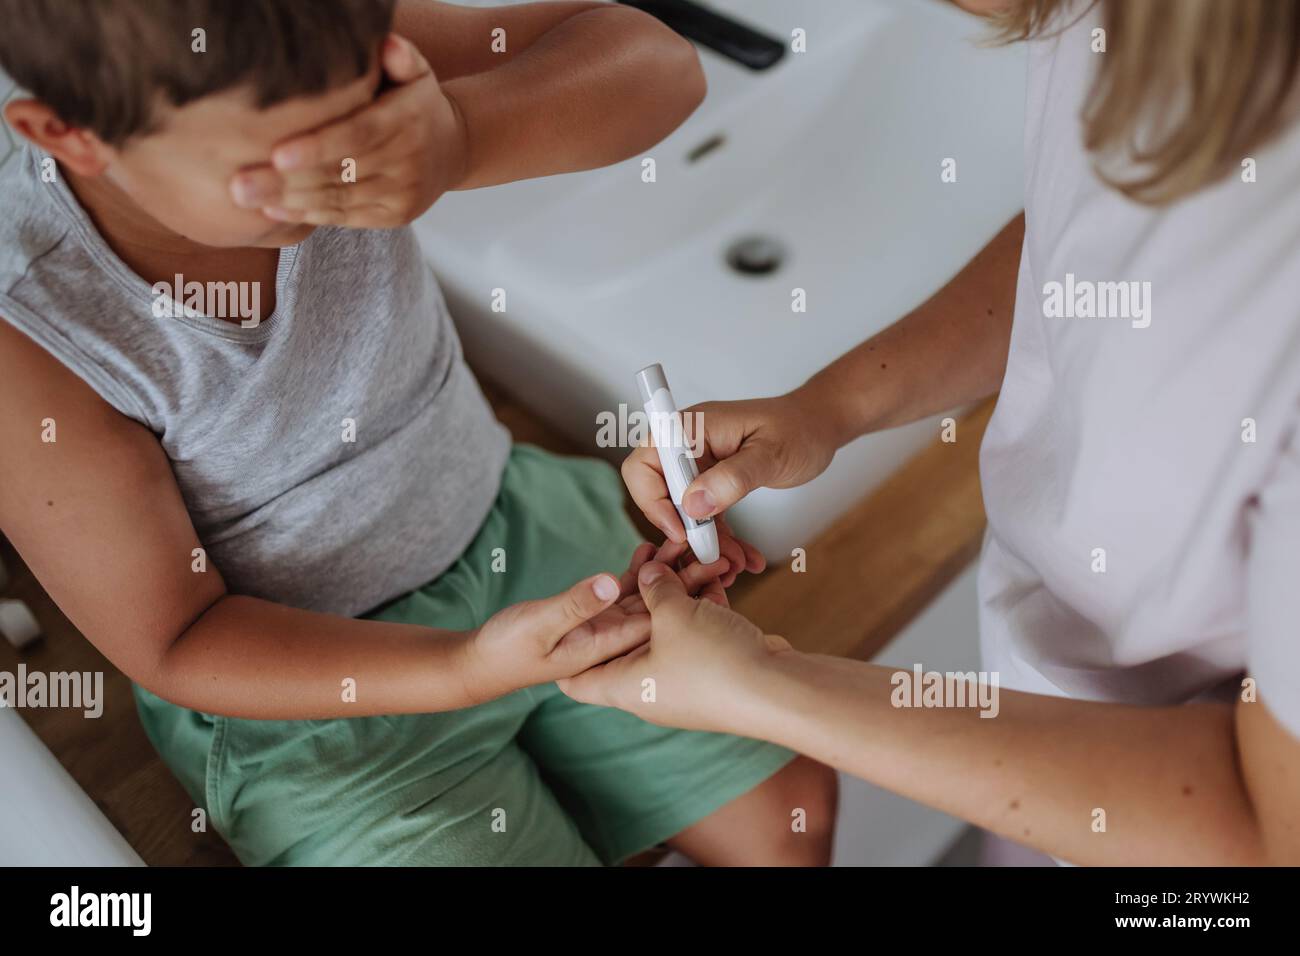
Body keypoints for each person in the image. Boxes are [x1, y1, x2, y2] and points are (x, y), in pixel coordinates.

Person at [0, 0, 836, 866]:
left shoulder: (314, 37)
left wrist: (463, 136)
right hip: (302, 687)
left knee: (789, 817)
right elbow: (177, 640)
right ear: (68, 132)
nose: (345, 165)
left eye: (362, 108)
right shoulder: (29, 333)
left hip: (506, 520)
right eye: (276, 163)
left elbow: (659, 60)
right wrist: (465, 669)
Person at [566, 0, 1300, 865]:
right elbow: (1084, 242)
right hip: (1046, 751)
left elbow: (1263, 833)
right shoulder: (1133, 23)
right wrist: (827, 408)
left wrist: (761, 687)